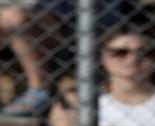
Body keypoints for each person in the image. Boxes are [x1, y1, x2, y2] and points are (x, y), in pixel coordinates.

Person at [1, 0, 136, 116]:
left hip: (96, 24)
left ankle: (39, 89)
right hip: (52, 21)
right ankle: (36, 92)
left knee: (12, 17)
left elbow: (113, 17)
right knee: (10, 17)